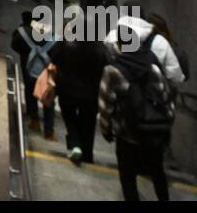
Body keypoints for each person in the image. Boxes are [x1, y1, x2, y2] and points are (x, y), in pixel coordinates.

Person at [99, 19, 177, 201]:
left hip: (128, 134)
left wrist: (106, 129)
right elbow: (167, 100)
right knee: (158, 173)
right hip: (154, 135)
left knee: (128, 177)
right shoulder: (152, 66)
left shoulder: (112, 71)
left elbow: (105, 105)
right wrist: (163, 127)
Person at [51, 22, 107, 165]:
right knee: (88, 123)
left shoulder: (66, 45)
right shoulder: (101, 49)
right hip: (91, 94)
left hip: (67, 90)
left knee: (69, 118)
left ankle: (75, 144)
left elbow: (53, 57)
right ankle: (87, 155)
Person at [12, 13, 57, 140]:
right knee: (48, 98)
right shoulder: (50, 35)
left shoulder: (22, 32)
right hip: (46, 73)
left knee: (30, 94)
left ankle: (34, 121)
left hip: (29, 71)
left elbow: (14, 45)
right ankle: (49, 132)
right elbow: (57, 52)